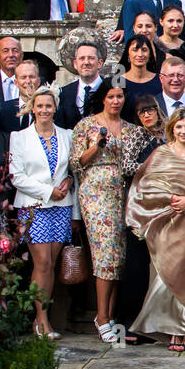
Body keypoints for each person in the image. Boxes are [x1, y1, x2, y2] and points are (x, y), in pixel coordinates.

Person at [127, 107, 185, 352]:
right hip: (163, 223)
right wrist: (167, 199)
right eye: (179, 127)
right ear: (172, 129)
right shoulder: (160, 152)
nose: (184, 131)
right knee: (164, 277)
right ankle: (174, 328)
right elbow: (144, 184)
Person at [8, 85, 73, 339]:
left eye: (49, 105)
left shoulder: (67, 135)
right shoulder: (19, 137)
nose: (44, 110)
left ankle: (42, 318)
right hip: (33, 207)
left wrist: (68, 181)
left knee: (51, 264)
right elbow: (16, 176)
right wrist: (48, 192)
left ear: (55, 108)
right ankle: (42, 320)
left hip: (61, 207)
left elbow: (71, 169)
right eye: (40, 106)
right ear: (32, 108)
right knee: (42, 262)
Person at [70, 83, 127, 344]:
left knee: (119, 256)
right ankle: (101, 316)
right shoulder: (86, 125)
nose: (115, 101)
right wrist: (96, 146)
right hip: (96, 194)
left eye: (119, 96)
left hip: (123, 194)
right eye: (111, 96)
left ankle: (111, 315)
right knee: (105, 252)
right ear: (102, 99)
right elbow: (76, 163)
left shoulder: (129, 128)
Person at [116, 96, 167, 340]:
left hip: (162, 205)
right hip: (139, 205)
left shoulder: (168, 133)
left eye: (150, 110)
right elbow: (125, 167)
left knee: (158, 266)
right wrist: (152, 166)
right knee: (135, 265)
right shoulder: (137, 134)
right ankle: (128, 324)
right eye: (141, 112)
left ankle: (153, 324)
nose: (147, 115)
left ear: (157, 110)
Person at [57, 41, 105, 129]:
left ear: (99, 63)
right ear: (75, 64)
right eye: (82, 58)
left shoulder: (111, 91)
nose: (86, 62)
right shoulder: (63, 93)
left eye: (91, 58)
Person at [116, 34, 163, 122]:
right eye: (135, 50)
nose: (140, 54)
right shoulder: (118, 81)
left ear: (150, 54)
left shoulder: (160, 80)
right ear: (128, 54)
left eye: (144, 50)